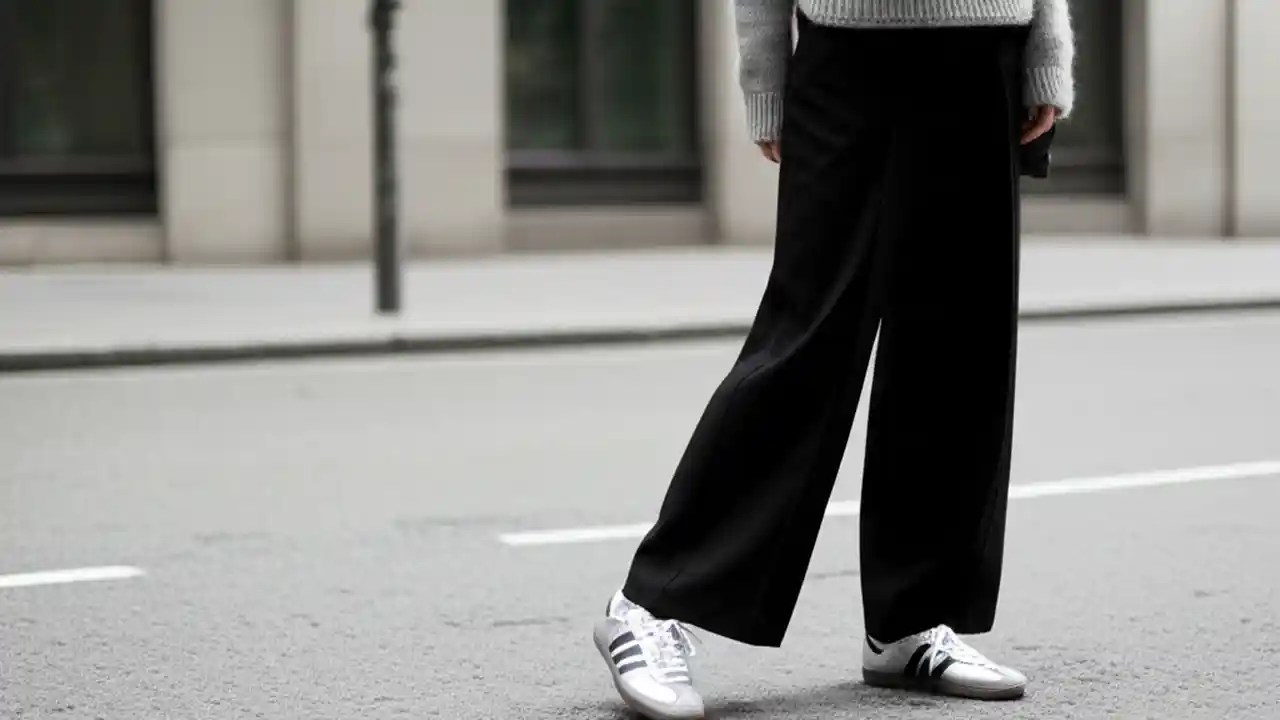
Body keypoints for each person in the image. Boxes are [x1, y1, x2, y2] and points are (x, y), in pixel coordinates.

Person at [592, 1, 1074, 717]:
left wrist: (1046, 45)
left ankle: (909, 620)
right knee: (809, 337)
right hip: (853, 48)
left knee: (955, 346)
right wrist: (765, 74)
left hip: (989, 48)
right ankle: (653, 606)